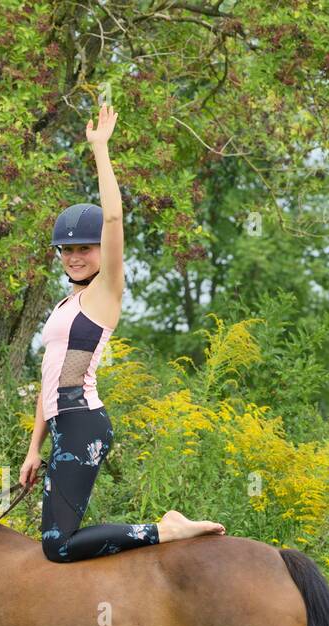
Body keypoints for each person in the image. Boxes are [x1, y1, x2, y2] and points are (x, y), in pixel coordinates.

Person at [20, 103, 225, 562]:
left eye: (85, 249)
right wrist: (33, 448)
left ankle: (165, 529)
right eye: (66, 250)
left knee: (57, 547)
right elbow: (48, 380)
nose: (75, 257)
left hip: (83, 423)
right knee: (56, 544)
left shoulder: (104, 293)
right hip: (60, 426)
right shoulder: (64, 304)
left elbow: (113, 220)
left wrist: (100, 150)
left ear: (100, 251)